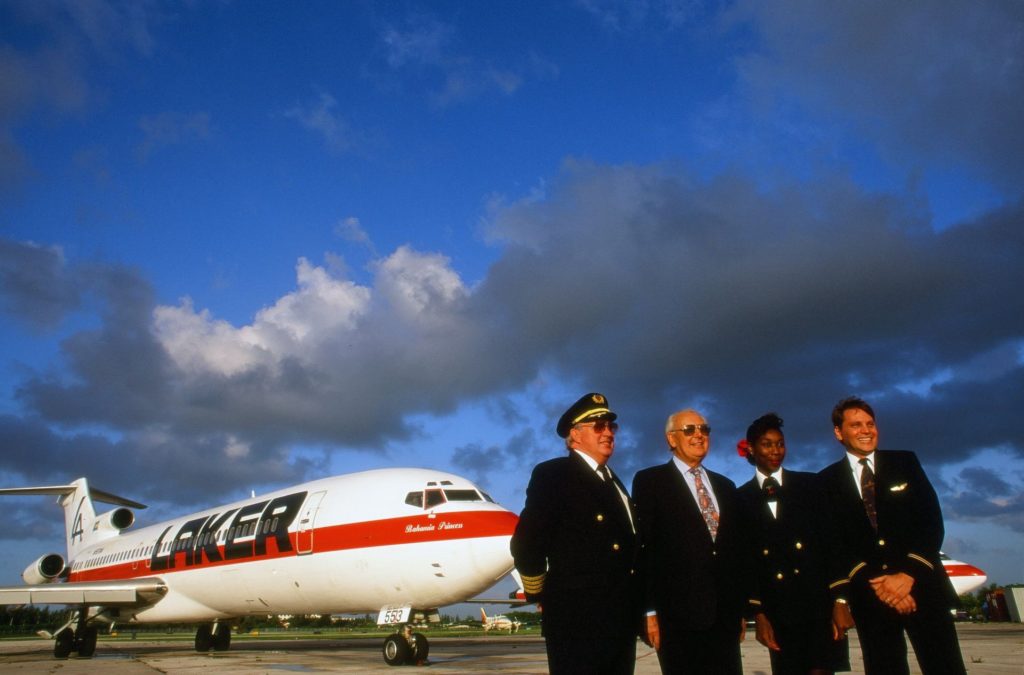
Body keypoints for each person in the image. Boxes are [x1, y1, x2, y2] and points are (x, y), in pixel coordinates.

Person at [818, 397, 966, 675]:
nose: (866, 430)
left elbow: (931, 523)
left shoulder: (905, 462)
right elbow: (835, 543)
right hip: (872, 598)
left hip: (923, 589)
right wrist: (883, 587)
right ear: (839, 432)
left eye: (870, 424)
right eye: (856, 425)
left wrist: (907, 576)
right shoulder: (826, 482)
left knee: (945, 666)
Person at [510, 392, 642, 674]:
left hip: (620, 619)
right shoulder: (554, 475)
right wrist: (540, 593)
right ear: (575, 434)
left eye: (611, 426)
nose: (608, 433)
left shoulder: (614, 480)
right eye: (599, 426)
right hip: (577, 620)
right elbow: (527, 543)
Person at [632, 409, 746, 675]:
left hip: (724, 617)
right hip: (676, 620)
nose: (699, 435)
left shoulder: (726, 486)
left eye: (704, 429)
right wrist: (648, 611)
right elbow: (644, 550)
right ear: (671, 439)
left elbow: (736, 552)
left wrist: (739, 610)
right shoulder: (650, 482)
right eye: (689, 429)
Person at [736, 412, 851, 675]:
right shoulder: (740, 499)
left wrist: (841, 600)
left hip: (819, 606)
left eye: (780, 444)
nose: (776, 451)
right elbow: (745, 562)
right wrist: (758, 614)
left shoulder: (811, 486)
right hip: (779, 612)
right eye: (767, 444)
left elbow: (833, 544)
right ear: (751, 448)